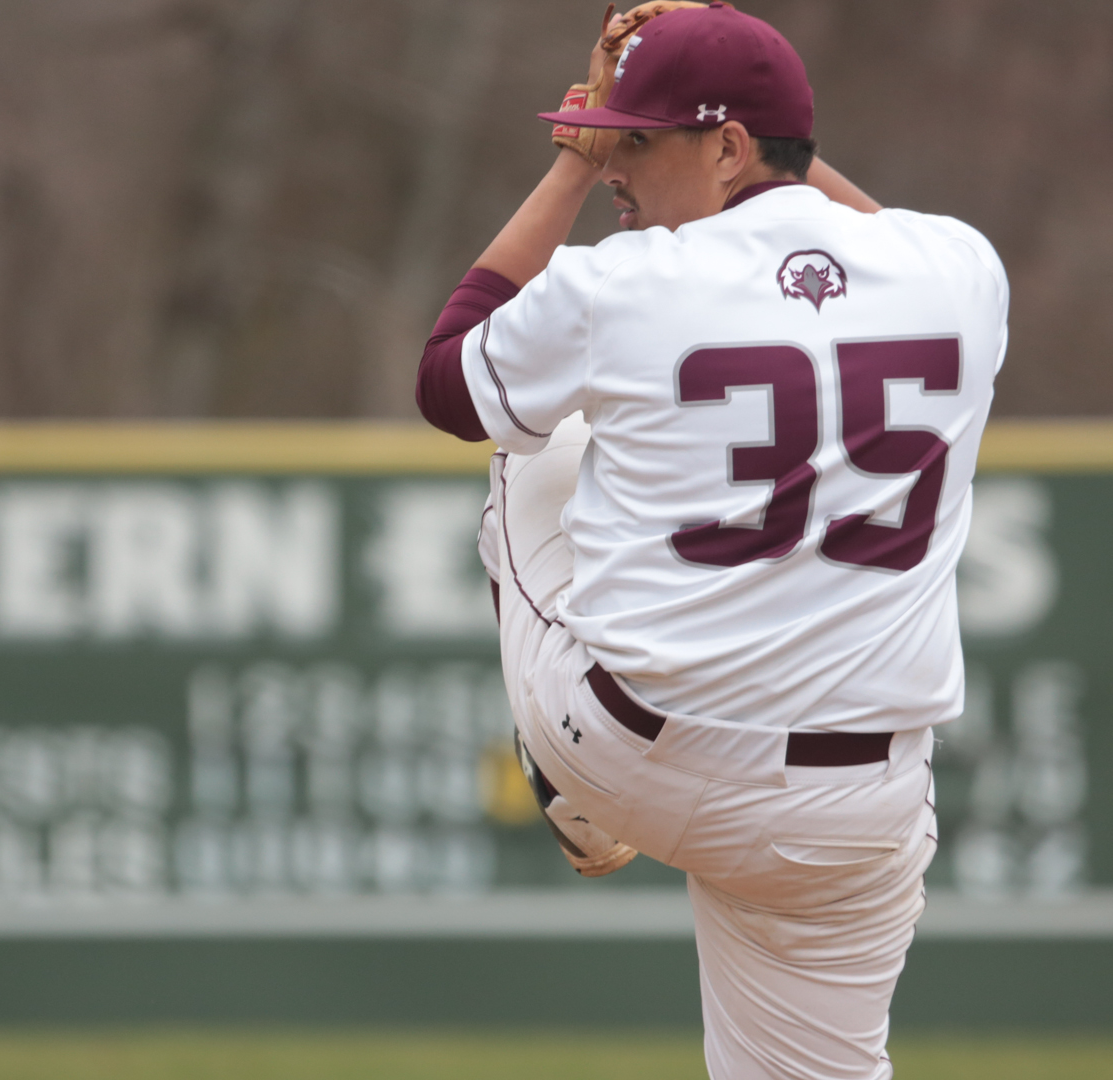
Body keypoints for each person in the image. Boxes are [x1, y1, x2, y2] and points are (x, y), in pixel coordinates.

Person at [415, 4, 1009, 1077]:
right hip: (857, 806)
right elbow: (874, 244)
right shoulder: (963, 271)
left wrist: (559, 168)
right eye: (603, 139)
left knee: (531, 441)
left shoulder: (622, 281)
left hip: (642, 751)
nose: (609, 164)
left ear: (728, 145)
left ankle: (579, 808)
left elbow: (449, 382)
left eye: (631, 138)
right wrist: (781, 159)